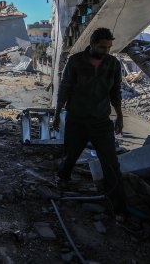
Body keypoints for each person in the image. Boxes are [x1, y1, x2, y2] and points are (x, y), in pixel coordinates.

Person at [53, 28, 127, 216]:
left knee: (110, 161)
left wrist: (119, 115)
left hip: (101, 120)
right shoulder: (75, 62)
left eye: (109, 47)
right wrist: (56, 114)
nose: (106, 51)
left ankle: (116, 202)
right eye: (103, 47)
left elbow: (115, 92)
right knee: (70, 155)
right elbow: (65, 89)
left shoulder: (113, 64)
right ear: (92, 44)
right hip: (77, 119)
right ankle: (63, 182)